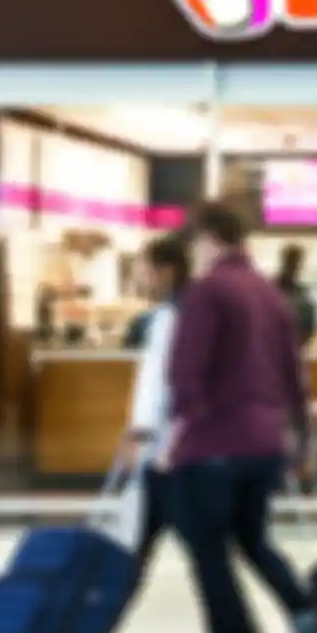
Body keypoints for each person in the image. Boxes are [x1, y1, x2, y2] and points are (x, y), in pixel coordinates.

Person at [166, 203, 317, 633]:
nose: (193, 253)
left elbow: (186, 369)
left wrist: (182, 429)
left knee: (206, 545)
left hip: (215, 441)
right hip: (265, 441)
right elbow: (294, 371)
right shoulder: (270, 293)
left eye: (194, 242)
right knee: (252, 538)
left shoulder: (207, 291)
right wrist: (302, 432)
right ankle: (306, 613)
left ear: (208, 237)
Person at [120, 236, 188, 595]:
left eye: (144, 272)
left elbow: (159, 381)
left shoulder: (170, 318)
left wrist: (140, 431)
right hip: (174, 444)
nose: (141, 281)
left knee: (138, 539)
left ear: (165, 271)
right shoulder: (177, 314)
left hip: (165, 444)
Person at [275, 243, 317, 347]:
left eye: (297, 262)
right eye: (292, 262)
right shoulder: (271, 291)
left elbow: (310, 328)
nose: (295, 266)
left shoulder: (302, 293)